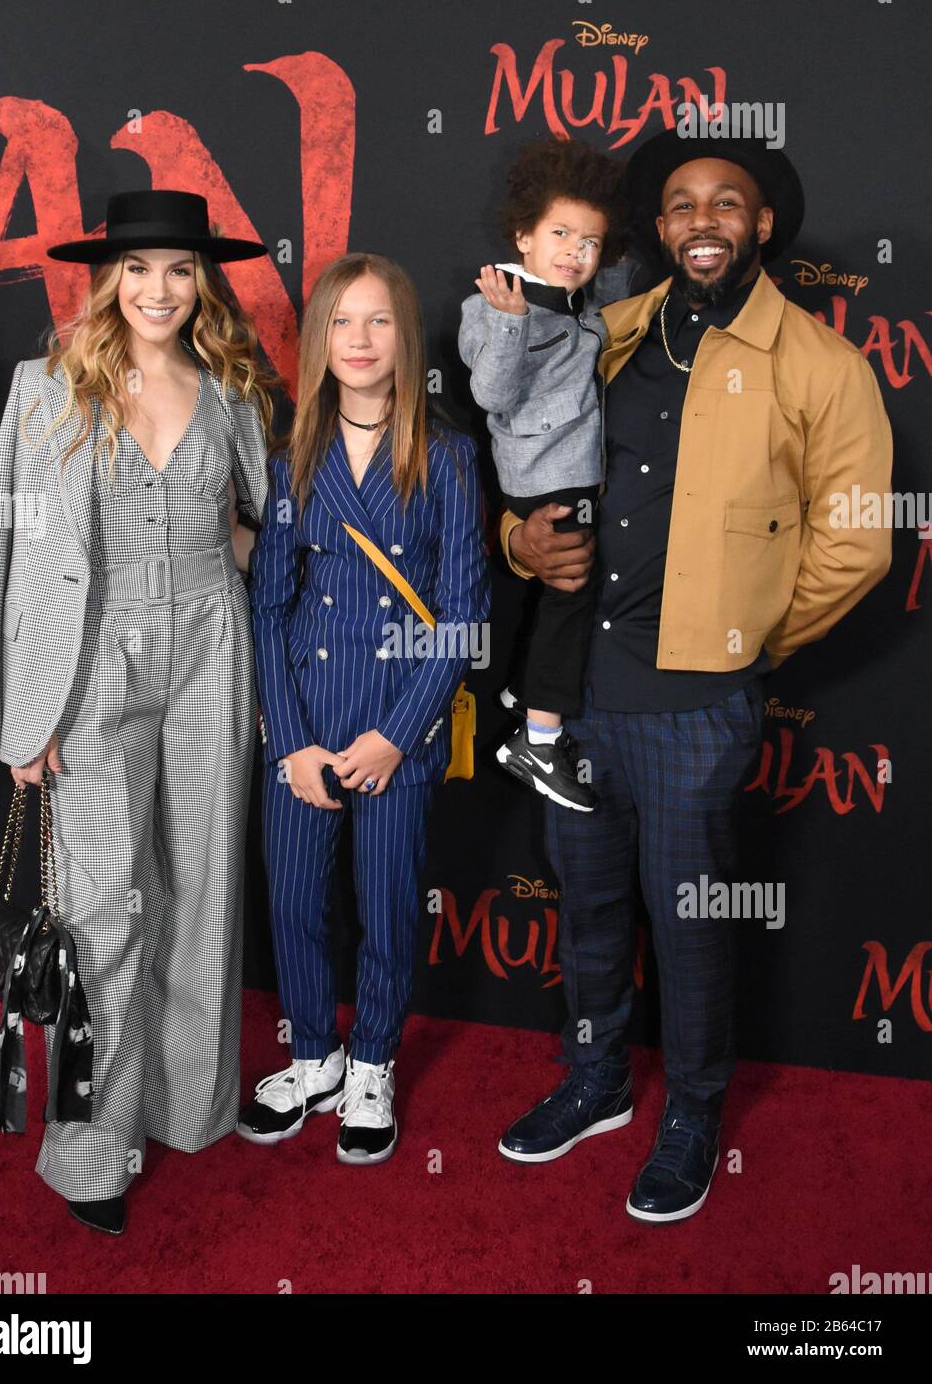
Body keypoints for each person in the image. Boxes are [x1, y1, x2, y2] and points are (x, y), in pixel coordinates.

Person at [496, 130, 893, 1222]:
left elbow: (855, 541)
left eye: (727, 201)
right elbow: (530, 464)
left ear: (761, 224)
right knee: (583, 908)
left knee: (688, 922)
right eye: (678, 204)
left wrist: (751, 641)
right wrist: (518, 540)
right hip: (572, 692)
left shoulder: (820, 365)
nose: (701, 219)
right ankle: (595, 1079)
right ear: (658, 228)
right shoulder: (603, 331)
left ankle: (693, 1111)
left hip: (694, 708)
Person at [0, 190, 282, 1235]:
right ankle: (91, 1149)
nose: (158, 290)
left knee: (201, 883)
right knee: (101, 909)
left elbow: (264, 531)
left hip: (211, 645)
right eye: (138, 270)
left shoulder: (232, 393)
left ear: (202, 283)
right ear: (107, 280)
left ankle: (186, 1109)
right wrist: (14, 713)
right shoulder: (44, 389)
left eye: (179, 269)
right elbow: (1, 554)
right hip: (88, 661)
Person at [237, 253, 490, 1164]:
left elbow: (463, 619)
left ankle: (373, 1061)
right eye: (342, 322)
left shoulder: (449, 458)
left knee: (387, 911)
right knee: (295, 903)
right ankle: (313, 1055)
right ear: (317, 340)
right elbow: (267, 606)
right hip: (306, 721)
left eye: (379, 321)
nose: (360, 340)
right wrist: (290, 740)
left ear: (405, 336)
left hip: (399, 728)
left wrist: (399, 735)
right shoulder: (288, 457)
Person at [458, 136, 628, 812]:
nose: (574, 251)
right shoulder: (496, 306)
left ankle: (520, 691)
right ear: (523, 236)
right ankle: (537, 737)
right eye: (560, 233)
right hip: (543, 478)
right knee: (571, 593)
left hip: (577, 471)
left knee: (566, 597)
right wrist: (507, 325)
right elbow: (492, 395)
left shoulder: (578, 302)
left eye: (589, 242)